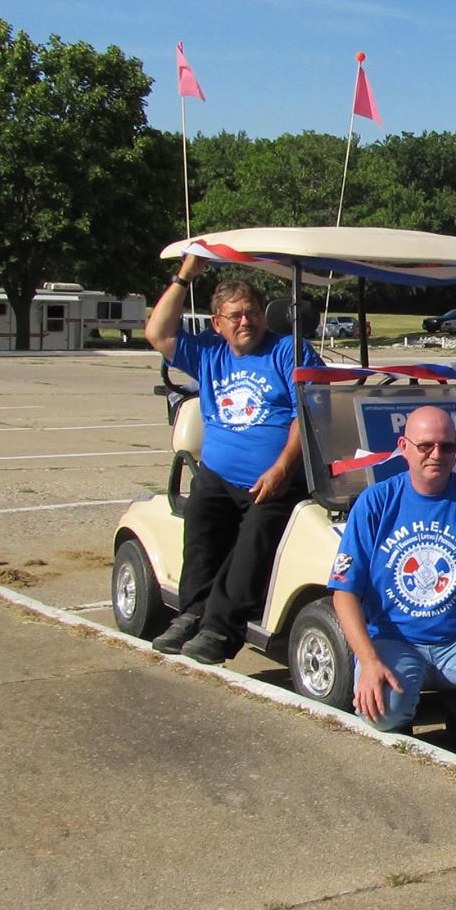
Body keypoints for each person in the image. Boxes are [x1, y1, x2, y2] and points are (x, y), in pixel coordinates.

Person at [143, 255, 307, 665]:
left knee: (255, 535)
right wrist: (185, 275)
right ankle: (191, 615)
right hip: (217, 476)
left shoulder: (288, 350)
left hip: (275, 477)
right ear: (217, 323)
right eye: (234, 316)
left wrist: (283, 466)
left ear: (264, 316)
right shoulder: (208, 353)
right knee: (202, 525)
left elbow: (310, 413)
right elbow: (157, 332)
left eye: (251, 313)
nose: (244, 322)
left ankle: (221, 629)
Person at [327, 407, 456, 733]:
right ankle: (403, 716)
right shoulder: (375, 502)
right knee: (382, 709)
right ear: (403, 447)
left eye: (447, 446)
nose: (437, 455)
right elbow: (344, 593)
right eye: (426, 446)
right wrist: (370, 661)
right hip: (394, 639)